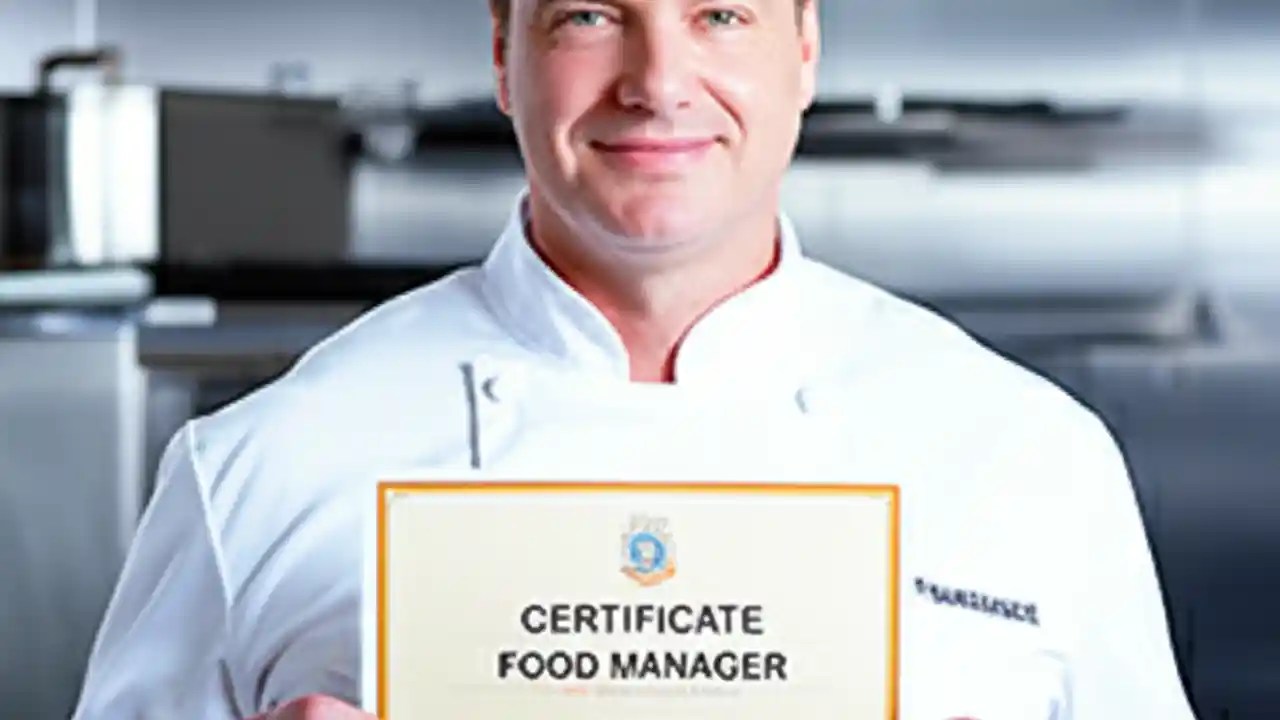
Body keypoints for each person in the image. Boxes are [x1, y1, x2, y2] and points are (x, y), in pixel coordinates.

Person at [72, 0, 1200, 718]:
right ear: (504, 53)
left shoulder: (1030, 456)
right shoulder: (259, 467)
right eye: (588, 16)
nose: (656, 80)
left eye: (718, 14)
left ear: (802, 50)